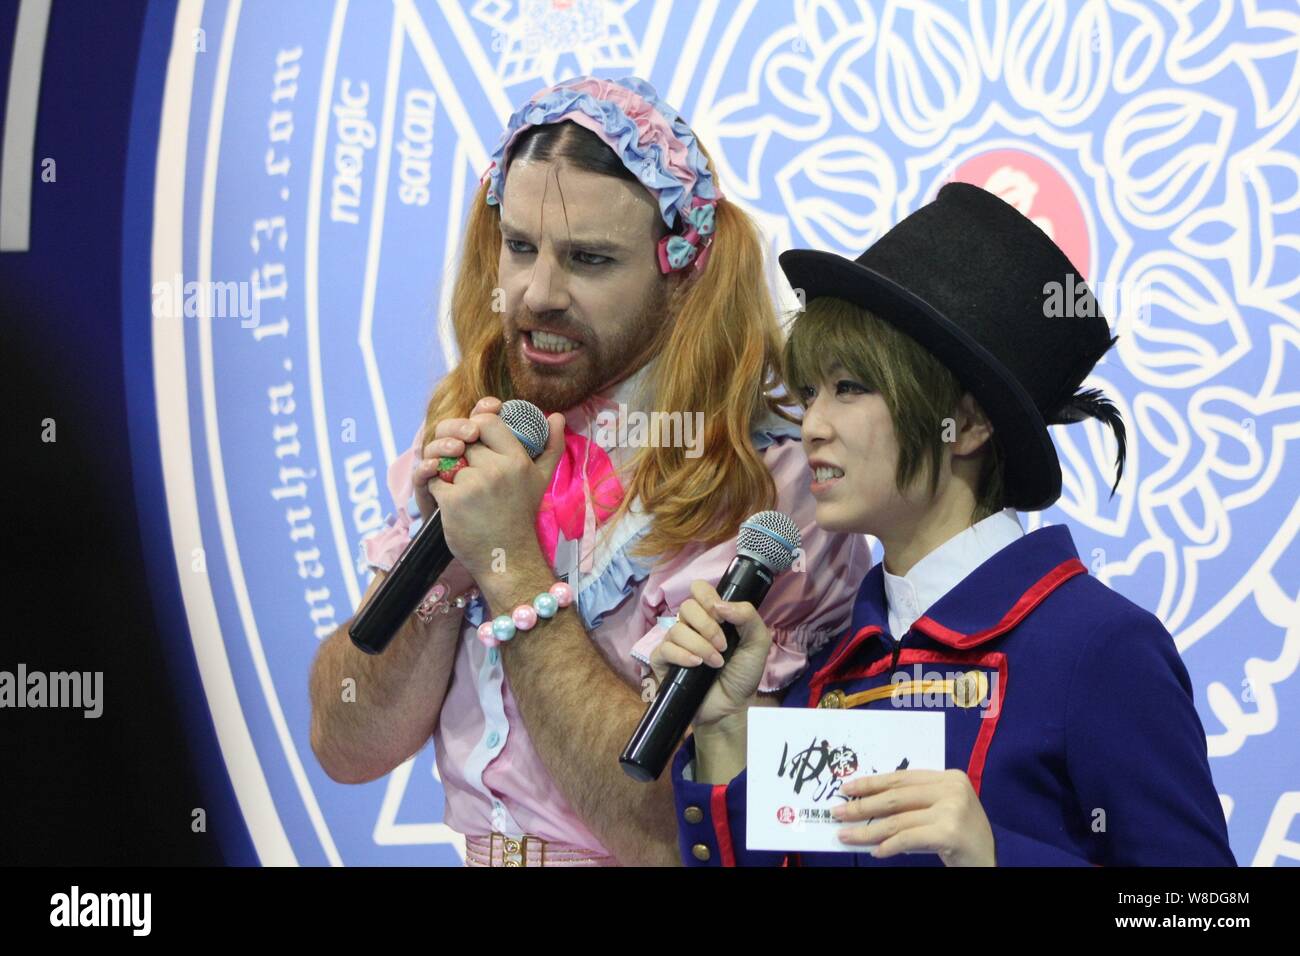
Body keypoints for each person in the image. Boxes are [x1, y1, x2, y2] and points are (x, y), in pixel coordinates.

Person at [308, 76, 871, 866]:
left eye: (589, 260)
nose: (537, 295)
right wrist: (445, 570)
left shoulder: (770, 484)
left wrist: (513, 569)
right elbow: (345, 747)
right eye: (520, 247)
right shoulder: (481, 428)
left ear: (682, 273)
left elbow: (668, 830)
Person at [654, 182, 1236, 866]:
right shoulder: (833, 665)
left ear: (967, 423)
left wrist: (994, 857)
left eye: (850, 388)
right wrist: (725, 727)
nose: (812, 426)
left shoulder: (1098, 646)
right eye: (810, 392)